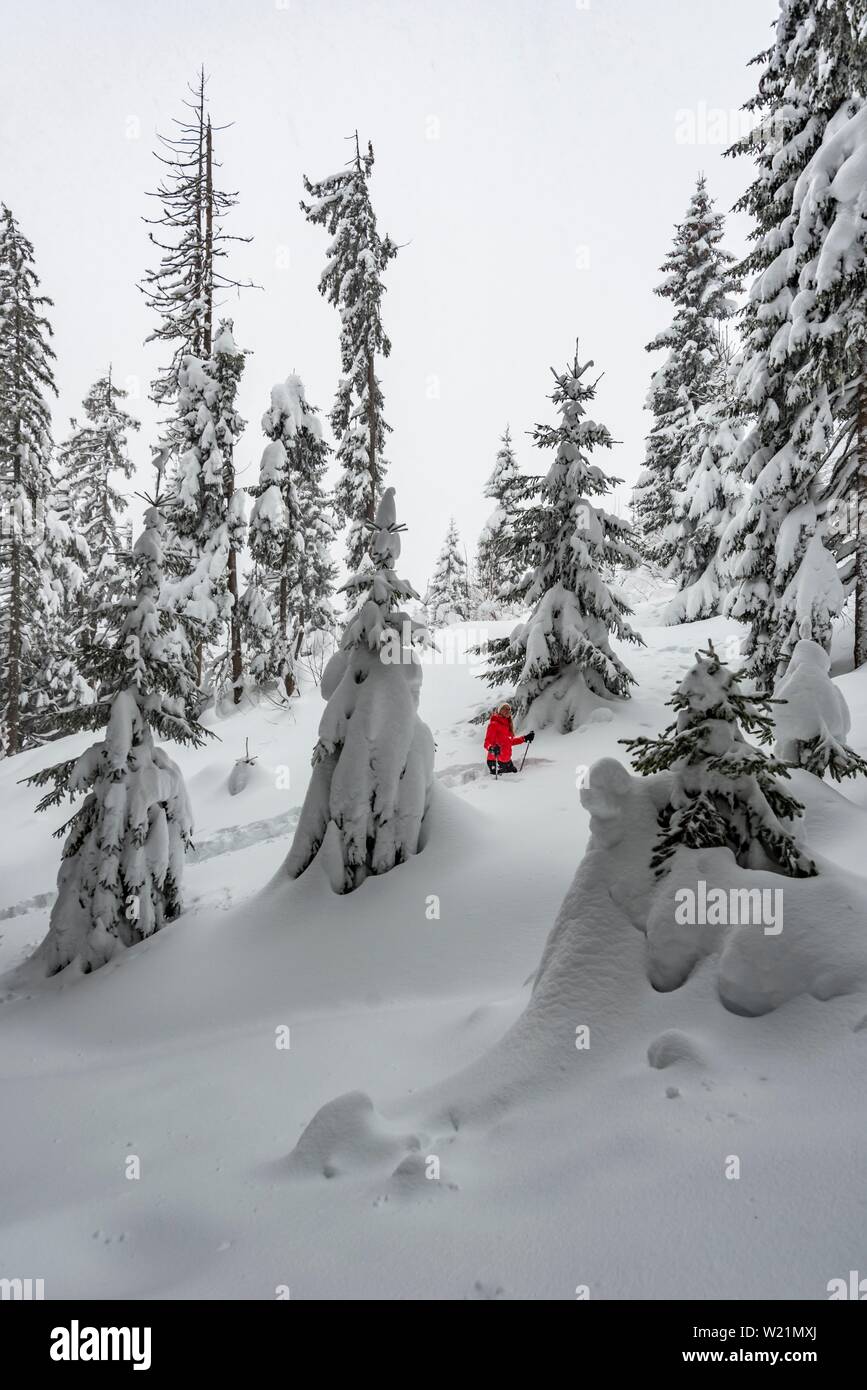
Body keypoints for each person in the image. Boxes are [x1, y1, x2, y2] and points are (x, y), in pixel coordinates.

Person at [484, 702, 534, 775]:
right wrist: (491, 748)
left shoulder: (507, 726)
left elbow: (509, 742)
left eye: (509, 709)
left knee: (515, 776)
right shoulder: (494, 725)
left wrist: (525, 738)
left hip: (507, 761)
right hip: (495, 761)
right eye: (505, 709)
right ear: (499, 711)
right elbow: (487, 743)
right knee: (504, 784)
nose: (508, 710)